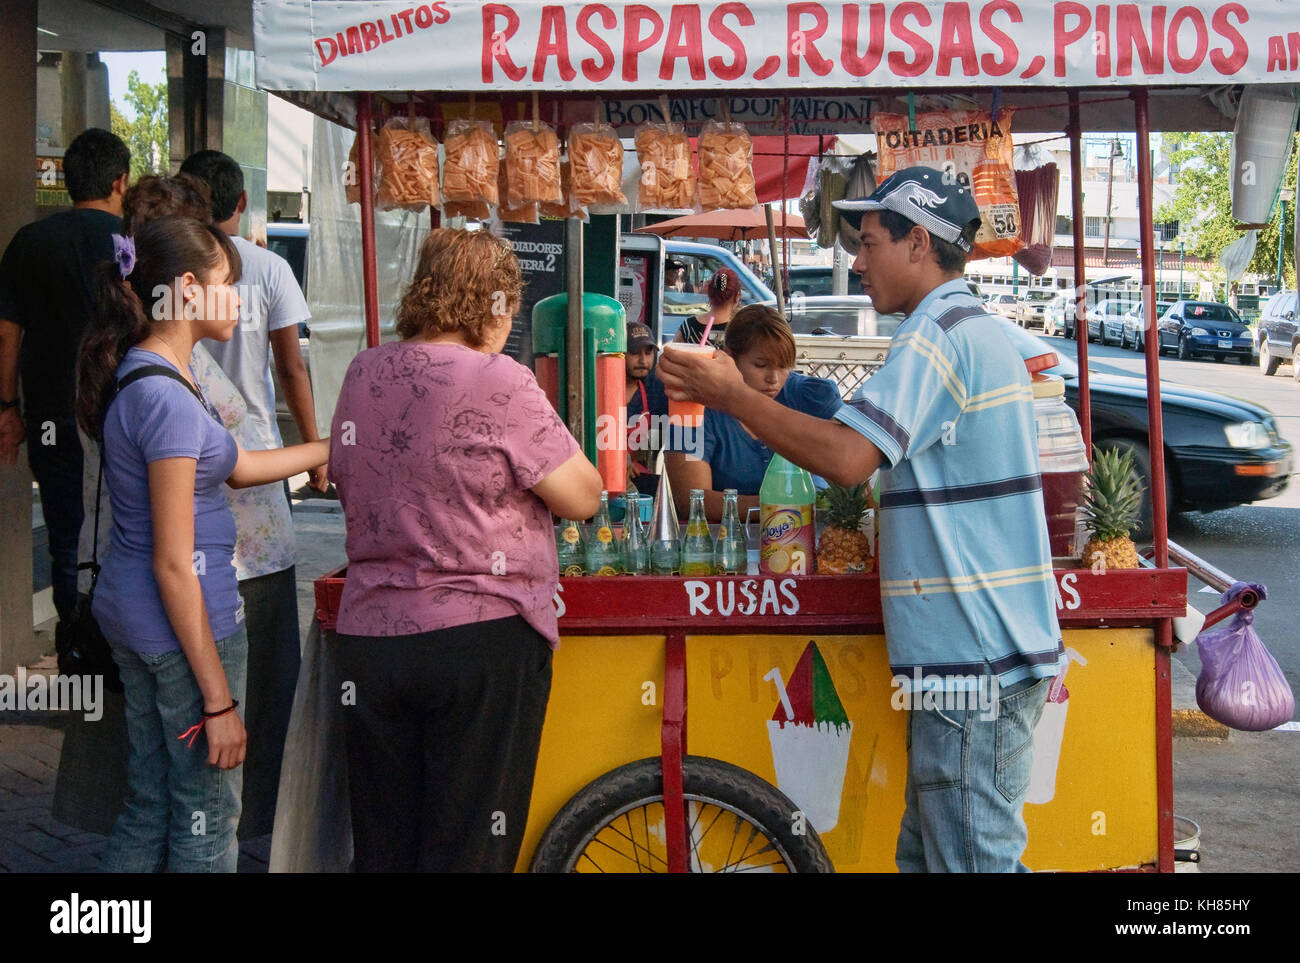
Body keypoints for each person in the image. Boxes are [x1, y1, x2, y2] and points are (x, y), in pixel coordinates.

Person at [657, 166, 1063, 873]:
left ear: (917, 243)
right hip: (975, 658)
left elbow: (847, 459)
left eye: (869, 241)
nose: (856, 259)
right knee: (937, 859)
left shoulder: (939, 334)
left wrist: (734, 395)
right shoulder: (973, 329)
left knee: (969, 861)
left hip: (976, 658)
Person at [329, 228, 601, 872]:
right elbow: (582, 495)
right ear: (496, 305)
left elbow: (344, 470)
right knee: (470, 845)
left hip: (370, 640)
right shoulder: (495, 378)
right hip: (479, 639)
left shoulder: (364, 369)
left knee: (384, 844)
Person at [76, 215, 328, 872]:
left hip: (138, 621)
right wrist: (218, 702)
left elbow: (238, 465)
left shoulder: (157, 373)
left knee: (154, 798)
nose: (239, 301)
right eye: (228, 284)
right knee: (207, 817)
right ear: (189, 288)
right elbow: (173, 563)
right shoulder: (169, 397)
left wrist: (330, 448)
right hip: (183, 630)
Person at [179, 149, 316, 837]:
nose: (236, 300)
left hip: (235, 528)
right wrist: (322, 449)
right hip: (231, 535)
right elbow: (288, 371)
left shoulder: (177, 362)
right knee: (247, 678)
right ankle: (241, 817)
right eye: (223, 286)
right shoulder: (173, 377)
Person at [0, 128, 129, 656]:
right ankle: (119, 652)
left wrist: (8, 408)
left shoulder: (30, 242)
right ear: (120, 181)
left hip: (53, 416)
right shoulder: (129, 244)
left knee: (64, 533)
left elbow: (7, 334)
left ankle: (77, 650)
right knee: (122, 528)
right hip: (121, 414)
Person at [665, 305, 841, 521]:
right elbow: (691, 501)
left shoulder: (815, 397)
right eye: (760, 365)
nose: (774, 379)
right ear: (729, 358)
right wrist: (784, 506)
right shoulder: (693, 407)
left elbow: (853, 474)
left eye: (784, 366)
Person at [624, 320, 668, 491]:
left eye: (648, 352)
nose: (643, 360)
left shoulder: (653, 387)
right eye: (634, 352)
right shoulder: (603, 386)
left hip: (635, 473)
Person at [674, 267, 741, 349]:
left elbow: (672, 356)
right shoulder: (741, 330)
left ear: (709, 292)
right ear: (737, 296)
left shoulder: (689, 326)